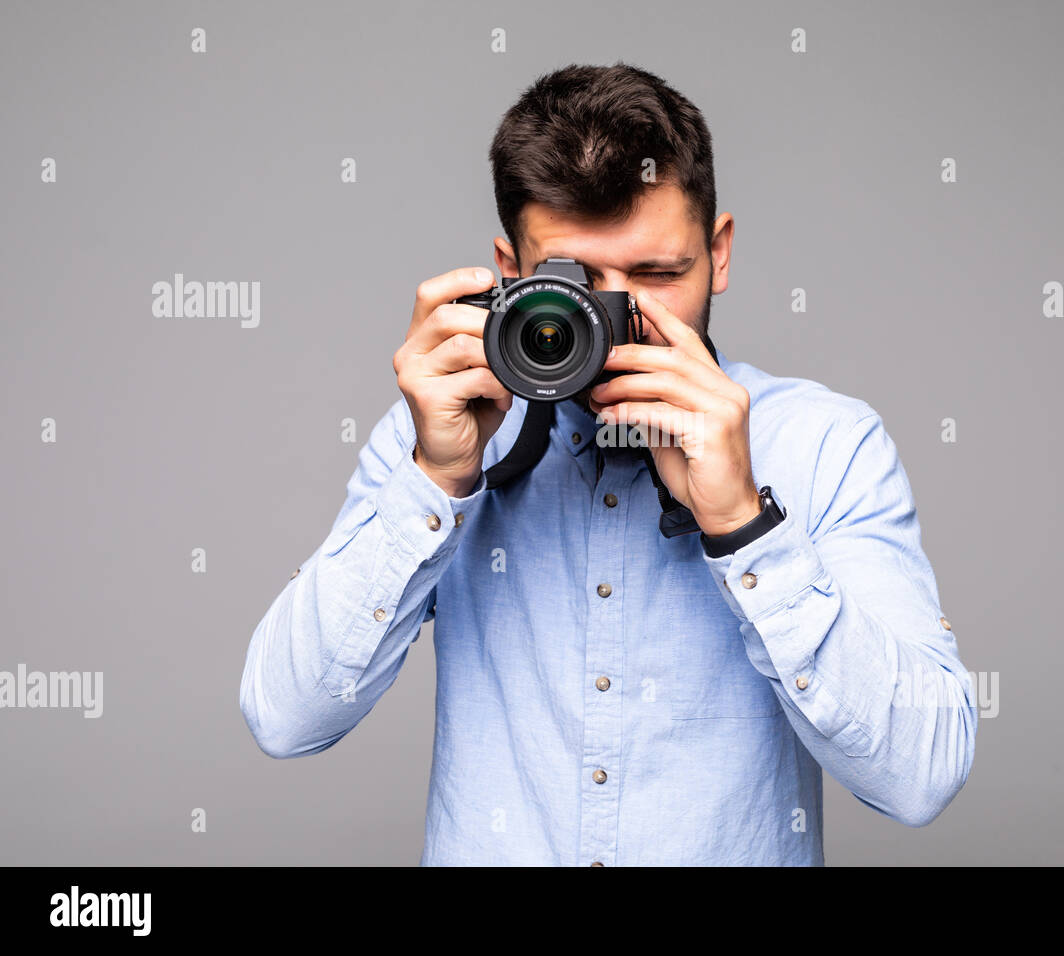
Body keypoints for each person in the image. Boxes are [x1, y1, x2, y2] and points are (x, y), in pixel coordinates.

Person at [239, 62, 976, 866]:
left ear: (719, 253)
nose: (618, 323)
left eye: (658, 276)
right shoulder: (444, 430)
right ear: (511, 270)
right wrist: (435, 480)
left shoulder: (825, 445)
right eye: (575, 285)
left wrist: (743, 525)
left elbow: (922, 776)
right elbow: (285, 718)